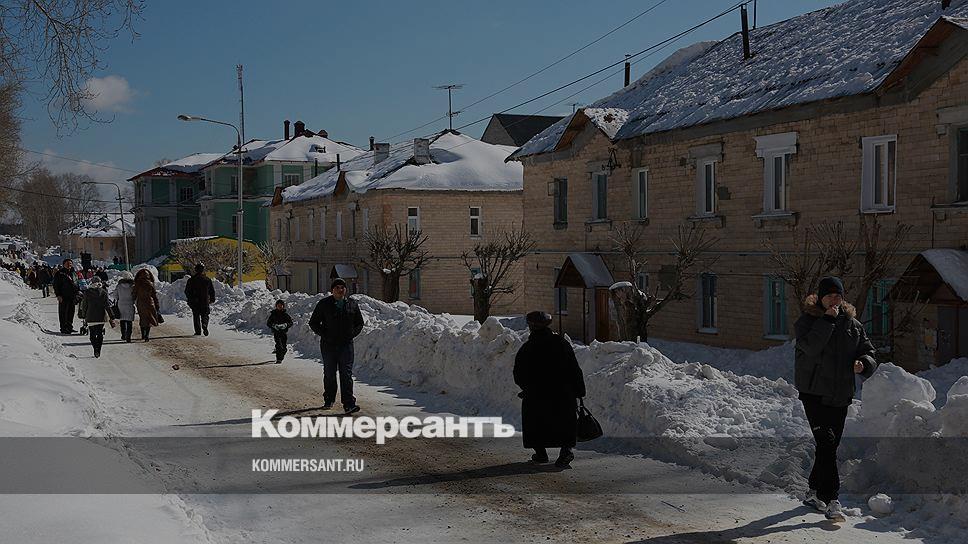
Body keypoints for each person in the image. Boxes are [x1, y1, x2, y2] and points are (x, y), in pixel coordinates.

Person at [794, 276, 878, 521]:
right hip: (814, 393)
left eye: (837, 295)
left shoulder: (853, 324)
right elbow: (809, 348)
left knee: (828, 447)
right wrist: (827, 320)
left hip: (841, 394)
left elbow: (869, 350)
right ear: (820, 297)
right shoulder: (808, 321)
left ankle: (812, 491)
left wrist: (865, 364)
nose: (834, 299)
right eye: (829, 295)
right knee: (827, 443)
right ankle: (832, 500)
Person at [513, 310, 586, 468]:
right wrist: (579, 390)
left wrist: (527, 388)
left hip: (536, 395)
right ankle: (565, 451)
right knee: (565, 423)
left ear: (531, 327)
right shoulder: (561, 343)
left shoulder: (528, 348)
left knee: (535, 423)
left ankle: (540, 453)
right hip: (563, 394)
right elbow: (574, 368)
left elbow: (518, 373)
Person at [308, 278, 365, 414]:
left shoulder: (352, 304)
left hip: (346, 345)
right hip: (329, 345)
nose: (340, 290)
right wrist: (325, 335)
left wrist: (351, 334)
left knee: (346, 374)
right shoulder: (324, 304)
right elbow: (313, 323)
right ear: (332, 290)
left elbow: (359, 323)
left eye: (342, 287)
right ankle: (329, 398)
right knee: (330, 373)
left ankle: (349, 404)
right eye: (337, 287)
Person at [79, 278, 115, 358]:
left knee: (92, 334)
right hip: (101, 316)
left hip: (90, 316)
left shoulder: (87, 292)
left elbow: (84, 305)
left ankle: (95, 348)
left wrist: (84, 315)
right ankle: (98, 350)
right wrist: (111, 315)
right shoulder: (103, 292)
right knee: (99, 333)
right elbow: (107, 305)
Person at [184, 263, 215, 336]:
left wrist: (190, 299)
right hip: (204, 301)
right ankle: (204, 324)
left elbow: (187, 291)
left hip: (195, 301)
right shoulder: (207, 280)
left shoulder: (191, 280)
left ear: (195, 270)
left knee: (196, 316)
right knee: (205, 315)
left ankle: (198, 331)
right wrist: (212, 298)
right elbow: (211, 290)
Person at [53, 258, 80, 334]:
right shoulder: (59, 273)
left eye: (70, 263)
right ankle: (63, 328)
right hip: (63, 296)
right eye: (67, 263)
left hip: (72, 296)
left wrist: (78, 292)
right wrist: (58, 295)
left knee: (71, 312)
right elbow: (56, 285)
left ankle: (69, 326)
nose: (69, 265)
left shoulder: (74, 273)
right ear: (64, 264)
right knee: (63, 312)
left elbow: (77, 283)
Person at [133, 268, 160, 342]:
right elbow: (154, 295)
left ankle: (143, 334)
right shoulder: (150, 284)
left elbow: (134, 294)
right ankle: (147, 335)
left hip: (140, 303)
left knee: (142, 318)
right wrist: (157, 304)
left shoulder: (137, 284)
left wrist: (132, 301)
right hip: (149, 303)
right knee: (149, 319)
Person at [267, 299, 294, 364]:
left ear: (283, 306)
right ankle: (279, 359)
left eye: (281, 305)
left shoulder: (285, 315)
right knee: (279, 345)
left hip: (283, 333)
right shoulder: (273, 314)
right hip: (276, 332)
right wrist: (273, 325)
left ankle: (282, 352)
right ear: (276, 306)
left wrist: (285, 325)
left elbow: (290, 322)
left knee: (283, 347)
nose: (280, 306)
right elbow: (268, 323)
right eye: (278, 305)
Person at [113, 271, 136, 342]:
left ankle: (123, 335)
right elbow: (135, 296)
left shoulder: (119, 286)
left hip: (121, 304)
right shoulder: (133, 286)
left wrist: (119, 298)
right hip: (130, 304)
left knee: (122, 321)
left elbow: (115, 295)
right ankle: (128, 337)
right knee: (129, 321)